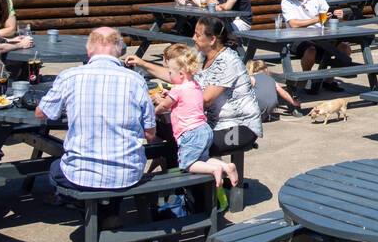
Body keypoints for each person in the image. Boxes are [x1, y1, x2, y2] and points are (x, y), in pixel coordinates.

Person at [36, 27, 157, 228]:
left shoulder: (69, 76)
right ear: (119, 49)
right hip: (128, 172)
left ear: (88, 49)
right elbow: (150, 133)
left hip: (80, 173)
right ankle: (108, 214)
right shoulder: (136, 80)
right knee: (118, 166)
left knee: (54, 170)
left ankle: (94, 214)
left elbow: (42, 113)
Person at [127, 17, 262, 154]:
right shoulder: (203, 56)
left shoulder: (227, 61)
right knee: (160, 128)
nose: (193, 38)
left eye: (197, 35)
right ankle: (174, 170)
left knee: (185, 140)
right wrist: (142, 64)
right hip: (210, 125)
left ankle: (204, 171)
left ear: (212, 39)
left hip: (239, 128)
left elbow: (206, 99)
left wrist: (171, 101)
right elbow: (177, 75)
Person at [150, 44, 239, 194]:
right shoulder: (195, 84)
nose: (169, 75)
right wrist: (170, 93)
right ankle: (225, 167)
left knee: (187, 165)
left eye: (170, 72)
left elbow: (164, 106)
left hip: (190, 133)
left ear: (181, 75)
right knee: (202, 160)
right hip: (204, 130)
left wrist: (153, 111)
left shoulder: (178, 89)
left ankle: (215, 169)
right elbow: (182, 98)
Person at [278, 0, 349, 91]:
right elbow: (293, 24)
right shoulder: (286, 1)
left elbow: (327, 14)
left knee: (344, 49)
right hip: (296, 37)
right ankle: (306, 80)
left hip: (319, 34)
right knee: (311, 50)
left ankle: (329, 80)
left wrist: (337, 14)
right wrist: (316, 20)